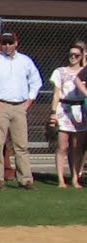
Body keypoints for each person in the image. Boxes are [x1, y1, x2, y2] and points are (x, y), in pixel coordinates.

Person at [0, 32, 42, 190]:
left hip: (20, 106)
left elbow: (36, 80)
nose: (7, 46)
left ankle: (25, 179)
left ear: (16, 43)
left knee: (21, 145)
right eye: (4, 43)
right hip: (0, 106)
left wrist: (30, 99)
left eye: (10, 43)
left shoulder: (25, 61)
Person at [47, 40, 85, 189]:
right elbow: (56, 94)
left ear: (82, 56)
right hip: (64, 108)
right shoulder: (60, 71)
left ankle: (75, 178)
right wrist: (53, 113)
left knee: (78, 146)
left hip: (80, 110)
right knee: (62, 146)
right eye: (71, 55)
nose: (73, 57)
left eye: (76, 55)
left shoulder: (84, 71)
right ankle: (61, 179)